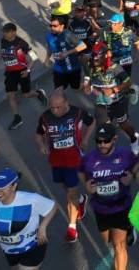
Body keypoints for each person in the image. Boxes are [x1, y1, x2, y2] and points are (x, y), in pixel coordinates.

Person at [34, 90, 94, 243]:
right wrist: (41, 145)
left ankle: (72, 228)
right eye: (52, 107)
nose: (55, 110)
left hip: (74, 160)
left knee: (70, 194)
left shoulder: (78, 113)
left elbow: (92, 122)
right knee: (65, 187)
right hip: (56, 161)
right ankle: (81, 199)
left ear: (66, 103)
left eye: (58, 107)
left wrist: (86, 139)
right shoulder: (45, 117)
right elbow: (38, 133)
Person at [79, 124, 139, 270]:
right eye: (98, 141)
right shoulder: (89, 159)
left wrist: (132, 175)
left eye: (106, 141)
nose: (102, 144)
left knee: (119, 246)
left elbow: (136, 163)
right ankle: (129, 230)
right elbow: (81, 171)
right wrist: (86, 185)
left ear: (114, 139)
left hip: (121, 205)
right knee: (108, 241)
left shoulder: (125, 155)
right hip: (101, 208)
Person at [0, 168, 56, 269]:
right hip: (9, 250)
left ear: (14, 186)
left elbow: (52, 207)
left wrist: (42, 227)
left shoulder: (31, 199)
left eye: (2, 188)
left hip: (33, 246)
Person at [85, 46, 139, 155]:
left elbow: (128, 82)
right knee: (104, 128)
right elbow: (87, 81)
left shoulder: (115, 68)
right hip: (101, 103)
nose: (94, 62)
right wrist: (87, 86)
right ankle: (107, 152)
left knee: (123, 125)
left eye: (97, 59)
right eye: (93, 59)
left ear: (105, 56)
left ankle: (134, 139)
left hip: (118, 102)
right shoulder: (90, 67)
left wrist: (113, 90)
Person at [0, 23, 47, 130]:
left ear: (13, 32)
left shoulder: (21, 43)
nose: (4, 34)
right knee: (10, 95)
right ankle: (17, 118)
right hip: (10, 73)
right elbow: (1, 51)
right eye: (4, 32)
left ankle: (38, 93)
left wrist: (27, 70)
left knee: (26, 94)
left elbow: (34, 57)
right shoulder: (3, 40)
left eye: (6, 32)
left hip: (22, 72)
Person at [44, 18, 86, 92]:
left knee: (75, 88)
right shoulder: (48, 36)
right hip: (59, 69)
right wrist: (47, 59)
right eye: (50, 25)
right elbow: (49, 48)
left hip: (73, 69)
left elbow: (83, 46)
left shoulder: (68, 34)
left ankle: (84, 85)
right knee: (58, 91)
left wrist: (67, 53)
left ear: (62, 26)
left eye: (55, 26)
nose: (52, 27)